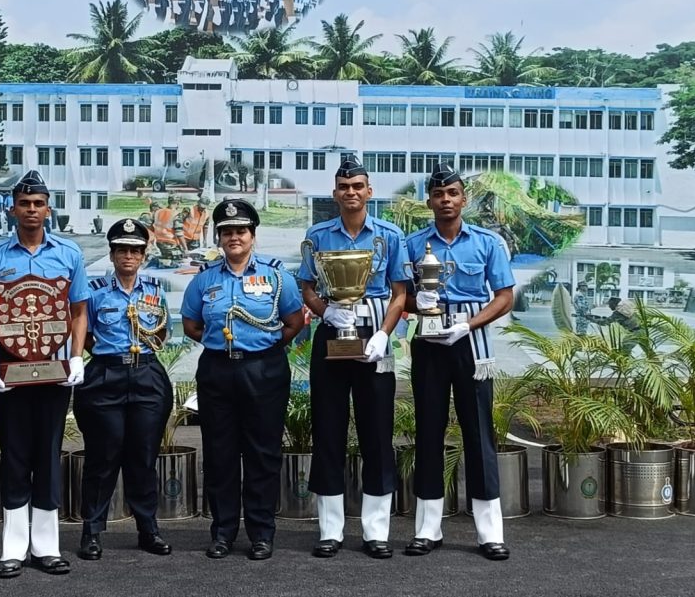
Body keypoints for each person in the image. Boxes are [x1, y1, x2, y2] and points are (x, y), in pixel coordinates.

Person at [0, 170, 89, 579]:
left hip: (56, 373)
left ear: (48, 209)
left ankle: (46, 546)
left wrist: (76, 358)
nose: (32, 210)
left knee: (47, 453)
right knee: (15, 456)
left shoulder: (69, 254)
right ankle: (12, 548)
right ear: (12, 209)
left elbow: (78, 312)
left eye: (38, 203)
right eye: (24, 204)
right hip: (11, 372)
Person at [181, 199, 304, 561]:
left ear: (252, 235)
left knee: (262, 453)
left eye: (241, 231)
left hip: (264, 371)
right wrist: (223, 346)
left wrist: (262, 347)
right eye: (227, 231)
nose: (234, 237)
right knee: (219, 455)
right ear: (218, 236)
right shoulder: (204, 279)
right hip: (218, 371)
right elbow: (191, 324)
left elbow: (294, 322)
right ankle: (222, 533)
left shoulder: (277, 276)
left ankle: (261, 533)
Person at [298, 158, 408, 560]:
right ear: (335, 193)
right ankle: (330, 530)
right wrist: (325, 311)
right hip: (332, 335)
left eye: (358, 185)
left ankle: (376, 531)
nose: (351, 192)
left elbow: (400, 293)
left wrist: (383, 334)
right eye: (344, 186)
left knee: (377, 435)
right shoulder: (318, 236)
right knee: (328, 432)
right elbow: (307, 287)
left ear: (369, 190)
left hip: (374, 340)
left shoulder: (390, 236)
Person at [403, 163, 515, 562]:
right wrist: (420, 304)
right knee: (429, 431)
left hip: (472, 342)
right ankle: (427, 529)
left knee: (479, 433)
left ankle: (489, 532)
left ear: (463, 199)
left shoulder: (487, 242)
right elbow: (403, 296)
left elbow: (505, 296)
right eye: (438, 194)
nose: (446, 200)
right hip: (430, 342)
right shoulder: (413, 244)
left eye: (452, 193)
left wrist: (469, 323)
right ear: (429, 200)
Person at [73, 218, 174, 561]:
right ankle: (92, 530)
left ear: (144, 255)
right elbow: (84, 334)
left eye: (135, 250)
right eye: (121, 250)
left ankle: (148, 529)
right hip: (106, 376)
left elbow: (161, 333)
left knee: (143, 455)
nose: (128, 256)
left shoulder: (155, 289)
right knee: (103, 455)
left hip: (146, 375)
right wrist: (108, 357)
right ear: (112, 253)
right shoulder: (95, 289)